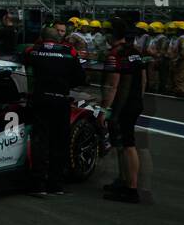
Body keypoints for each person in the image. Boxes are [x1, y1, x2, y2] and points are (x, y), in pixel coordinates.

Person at [20, 25, 86, 197]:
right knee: (59, 142)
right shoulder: (69, 52)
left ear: (42, 38)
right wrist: (64, 84)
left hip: (41, 99)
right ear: (58, 38)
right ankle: (56, 184)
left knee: (40, 141)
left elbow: (20, 63)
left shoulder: (34, 50)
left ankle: (38, 185)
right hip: (61, 100)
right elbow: (81, 78)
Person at [100, 24, 145, 203]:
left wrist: (104, 110)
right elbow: (143, 80)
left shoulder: (115, 54)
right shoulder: (135, 52)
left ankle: (131, 189)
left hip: (122, 106)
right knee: (122, 144)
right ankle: (124, 180)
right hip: (134, 102)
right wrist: (138, 100)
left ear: (113, 36)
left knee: (127, 145)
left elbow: (113, 85)